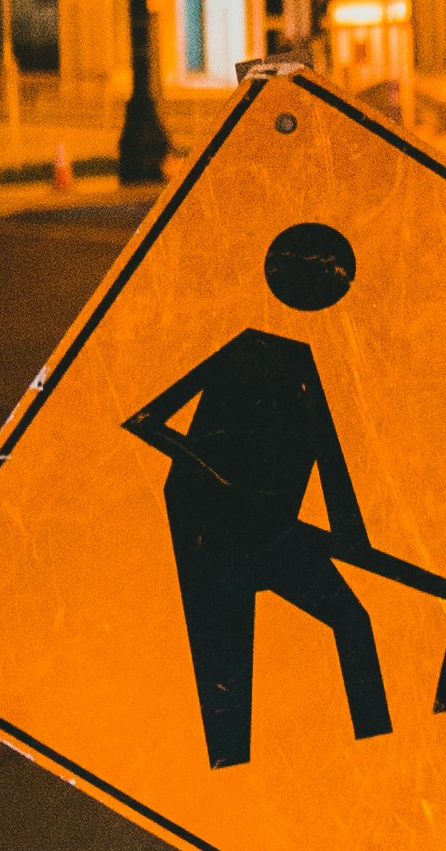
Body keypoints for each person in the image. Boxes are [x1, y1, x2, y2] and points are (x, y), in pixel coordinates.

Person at [123, 221, 392, 770]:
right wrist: (216, 474)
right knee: (225, 658)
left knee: (354, 621)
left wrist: (353, 540)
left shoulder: (309, 362)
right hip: (211, 527)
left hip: (273, 525)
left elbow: (330, 457)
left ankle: (384, 753)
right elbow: (147, 419)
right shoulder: (243, 349)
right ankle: (230, 774)